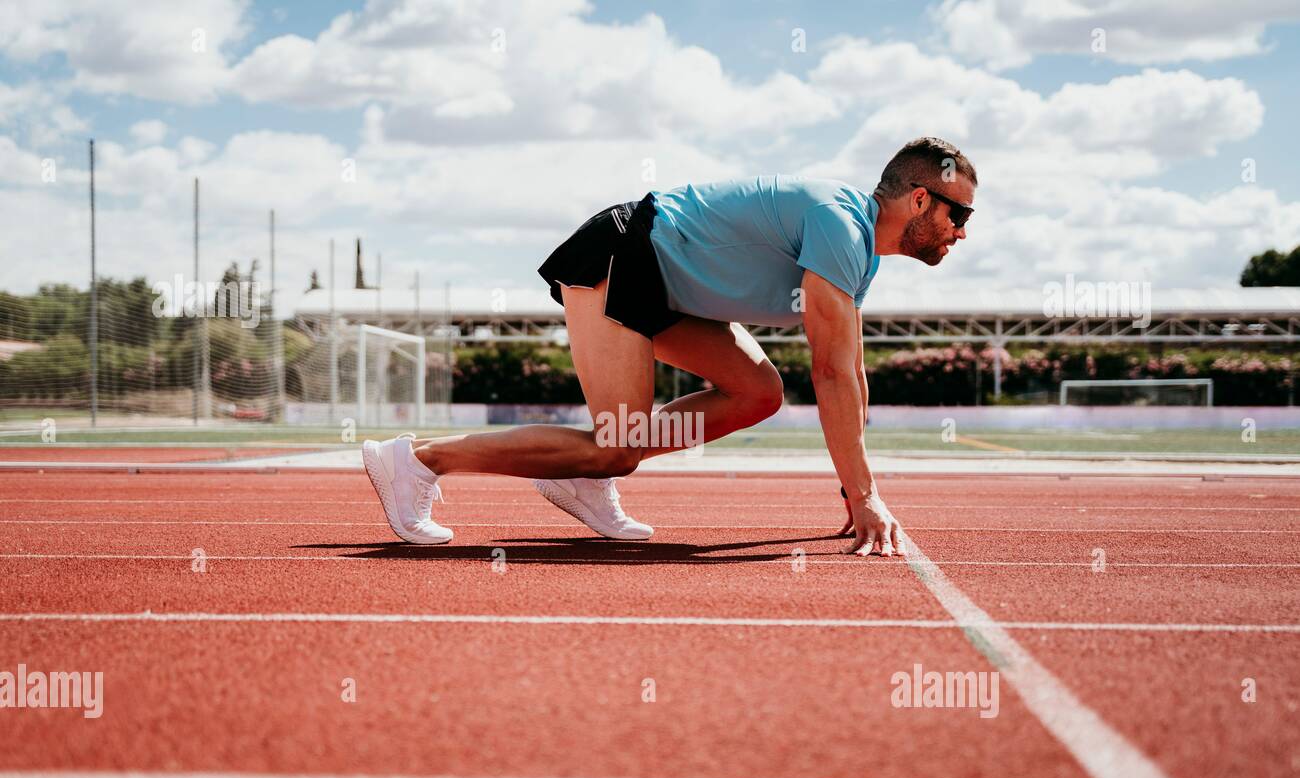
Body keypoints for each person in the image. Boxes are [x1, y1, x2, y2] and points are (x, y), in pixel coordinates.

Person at [362, 136, 976, 556]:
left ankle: (582, 481)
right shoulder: (841, 225)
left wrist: (855, 488)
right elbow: (831, 373)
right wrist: (865, 494)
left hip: (668, 290)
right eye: (959, 215)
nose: (961, 232)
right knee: (617, 446)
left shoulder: (859, 252)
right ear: (920, 198)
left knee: (758, 392)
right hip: (623, 257)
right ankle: (417, 459)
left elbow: (852, 371)